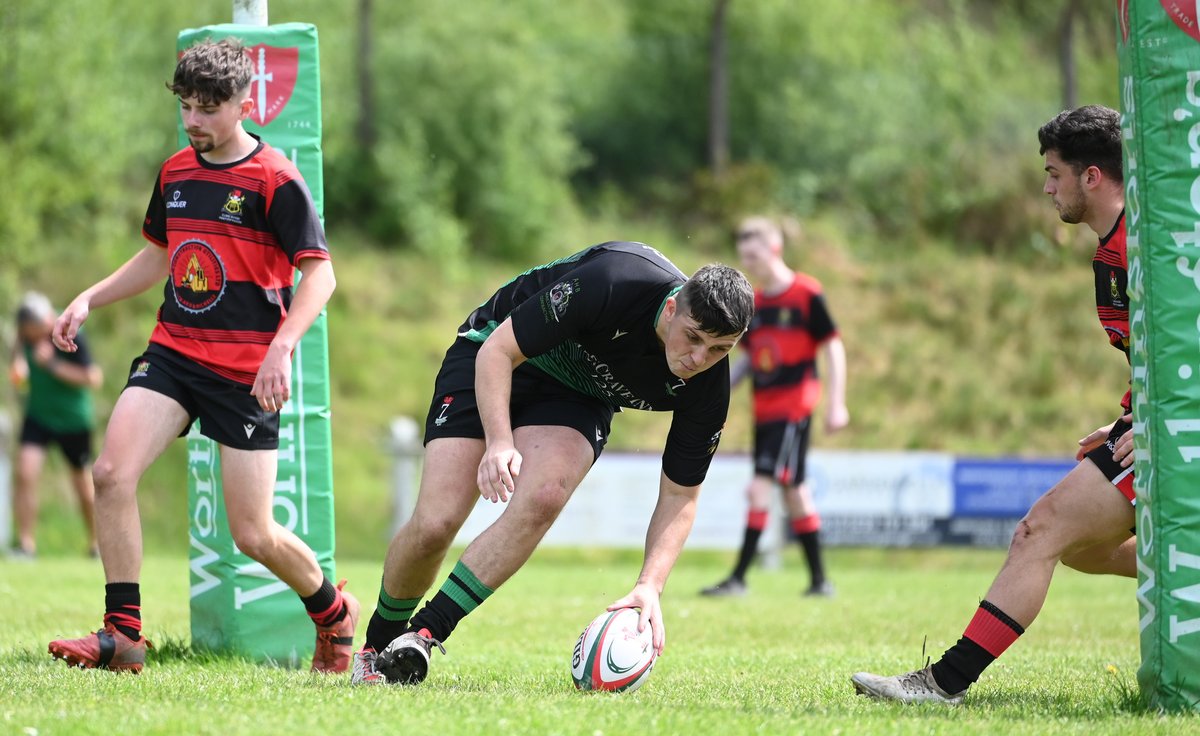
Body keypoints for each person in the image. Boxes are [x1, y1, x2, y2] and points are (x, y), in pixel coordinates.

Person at [45, 38, 355, 674]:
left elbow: (320, 274)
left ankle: (332, 612)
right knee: (111, 473)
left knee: (253, 535)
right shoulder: (175, 172)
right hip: (175, 353)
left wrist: (281, 347)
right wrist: (90, 297)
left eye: (208, 109)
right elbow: (159, 255)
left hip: (246, 372)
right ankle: (123, 635)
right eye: (185, 106)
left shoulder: (275, 179)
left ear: (244, 104)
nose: (193, 120)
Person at [350, 242, 754, 686]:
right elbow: (498, 352)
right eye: (693, 337)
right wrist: (499, 441)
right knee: (434, 525)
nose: (699, 359)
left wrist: (649, 585)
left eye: (720, 349)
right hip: (496, 354)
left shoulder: (708, 387)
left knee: (545, 496)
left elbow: (680, 494)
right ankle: (375, 645)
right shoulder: (614, 282)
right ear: (672, 308)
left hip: (577, 395)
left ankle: (423, 636)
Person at [851, 105, 1134, 704]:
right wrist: (1128, 420)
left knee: (1040, 530)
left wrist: (1166, 424)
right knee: (1084, 551)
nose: (1046, 188)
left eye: (1054, 173)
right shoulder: (1112, 250)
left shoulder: (1145, 247)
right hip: (1152, 421)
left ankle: (943, 683)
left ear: (1091, 177)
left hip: (1175, 428)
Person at [700, 217, 849, 599]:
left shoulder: (806, 293)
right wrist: (716, 391)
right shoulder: (757, 303)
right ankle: (820, 582)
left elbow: (832, 345)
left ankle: (738, 578)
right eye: (743, 256)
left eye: (754, 255)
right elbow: (749, 359)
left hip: (793, 408)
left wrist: (836, 403)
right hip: (765, 411)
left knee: (759, 487)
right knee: (795, 492)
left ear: (775, 249)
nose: (748, 263)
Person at [8, 291, 103, 559]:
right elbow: (18, 354)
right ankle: (26, 546)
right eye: (29, 335)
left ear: (48, 319)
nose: (34, 339)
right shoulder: (25, 333)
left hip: (73, 420)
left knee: (83, 486)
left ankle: (96, 543)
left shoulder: (71, 330)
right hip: (38, 415)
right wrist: (18, 364)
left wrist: (51, 365)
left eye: (37, 333)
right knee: (25, 473)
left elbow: (93, 378)